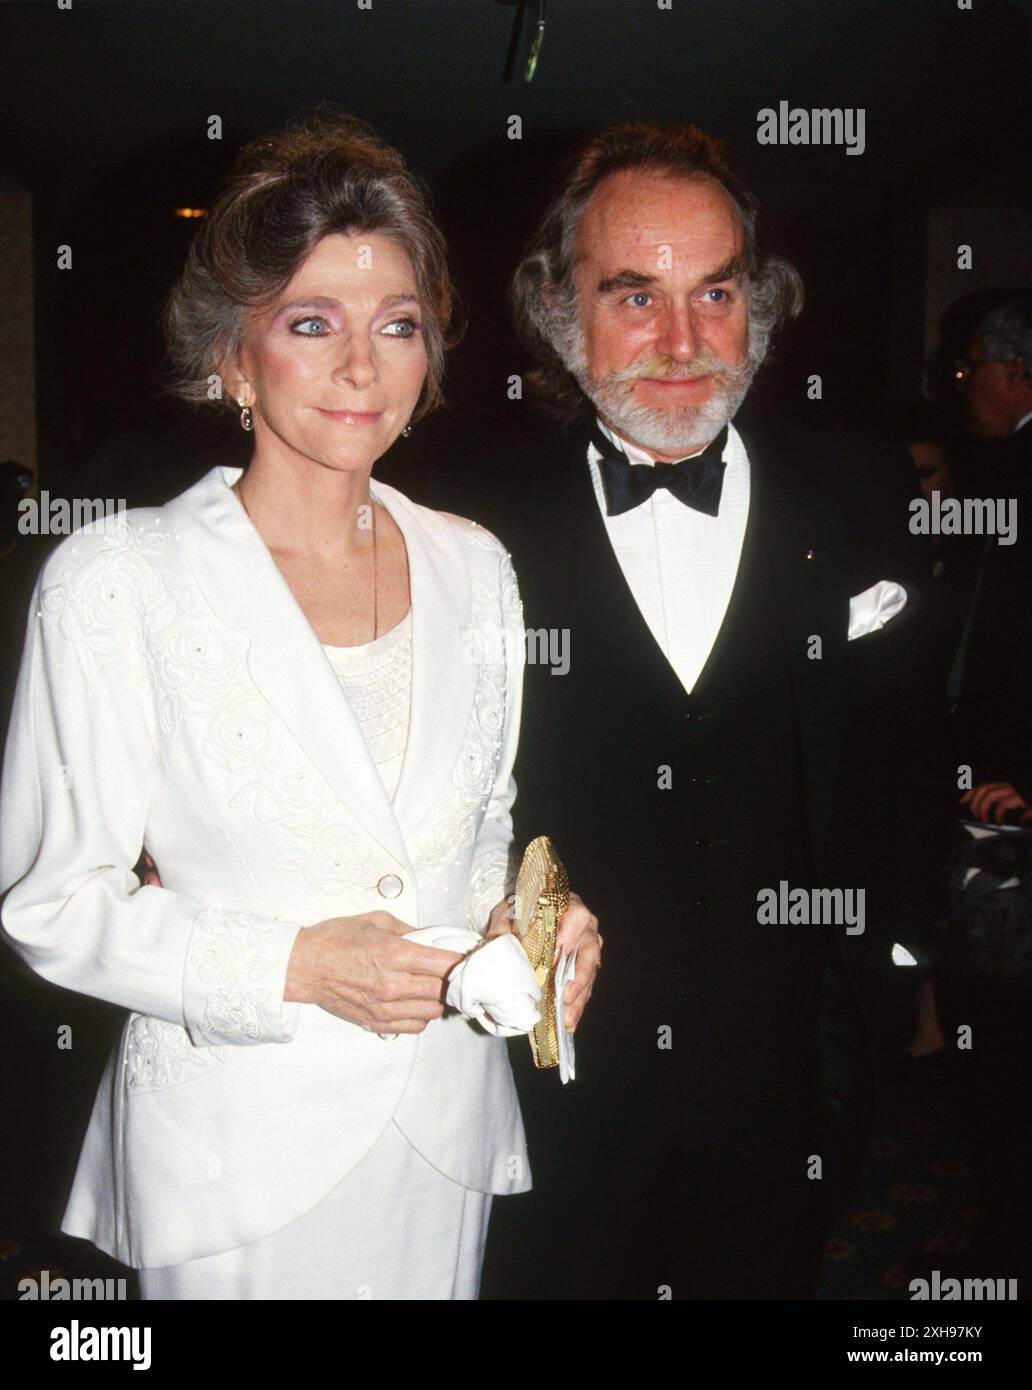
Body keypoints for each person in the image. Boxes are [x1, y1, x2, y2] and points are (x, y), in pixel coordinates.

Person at [0, 111, 600, 1301]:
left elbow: (481, 821)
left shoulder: (476, 563)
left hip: (441, 1127)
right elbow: (52, 903)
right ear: (232, 354)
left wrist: (531, 924)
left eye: (400, 327)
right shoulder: (119, 577)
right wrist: (294, 965)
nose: (362, 367)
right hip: (234, 1153)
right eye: (312, 323)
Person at [473, 121, 931, 1299]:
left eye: (715, 291)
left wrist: (898, 976)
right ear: (558, 312)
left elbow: (903, 756)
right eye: (633, 295)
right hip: (554, 1068)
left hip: (793, 1069)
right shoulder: (466, 527)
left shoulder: (864, 492)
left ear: (759, 307)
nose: (681, 342)